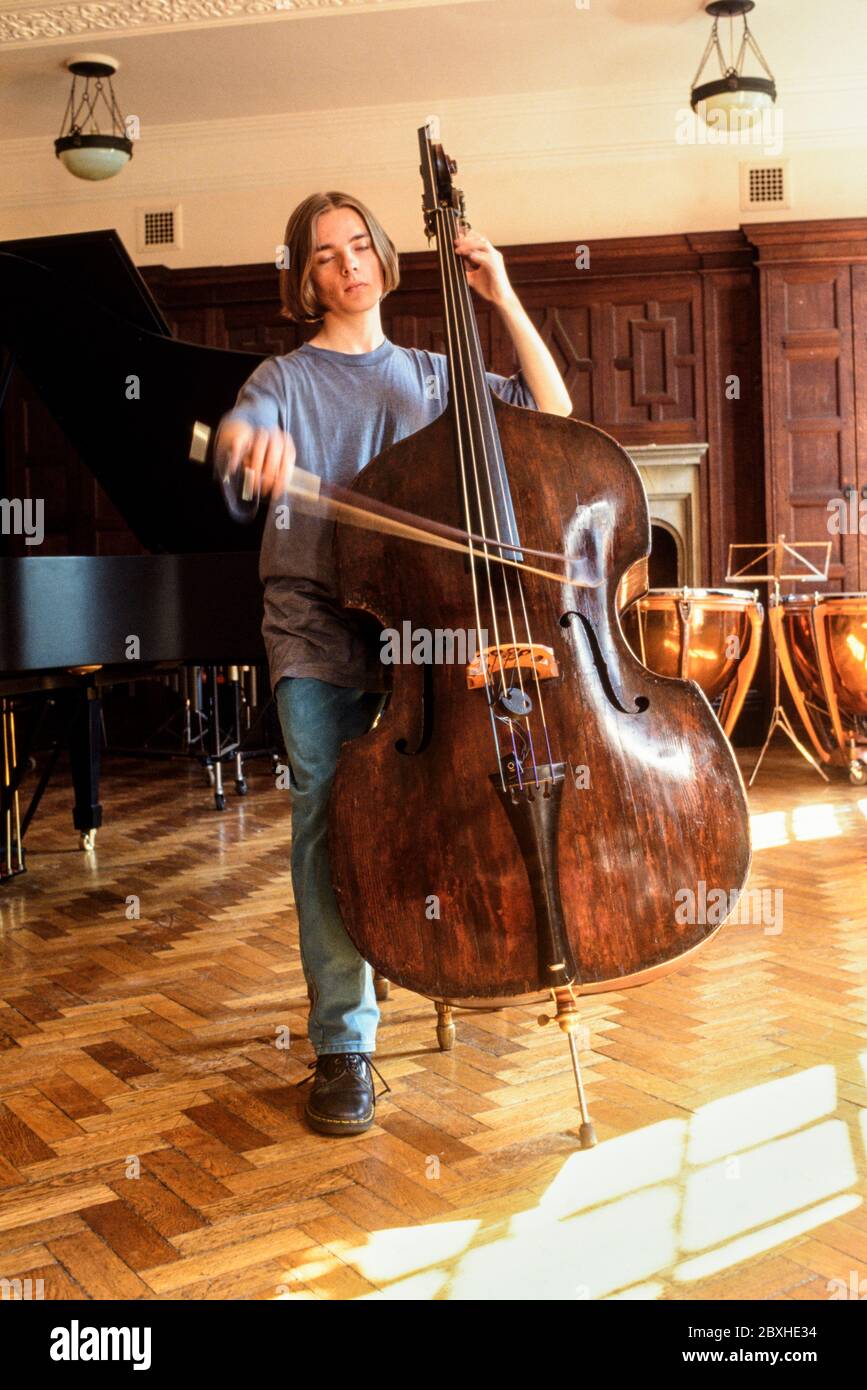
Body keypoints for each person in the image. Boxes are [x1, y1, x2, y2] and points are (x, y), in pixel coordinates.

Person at [215, 190, 572, 1137]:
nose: (348, 264)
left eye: (359, 245)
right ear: (306, 278)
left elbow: (552, 410)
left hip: (421, 628)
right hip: (316, 629)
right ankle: (343, 1044)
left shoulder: (430, 373)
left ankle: (456, 960)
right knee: (325, 819)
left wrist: (502, 298)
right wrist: (245, 450)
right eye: (325, 255)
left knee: (442, 802)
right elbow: (239, 443)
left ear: (382, 257)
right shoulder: (280, 380)